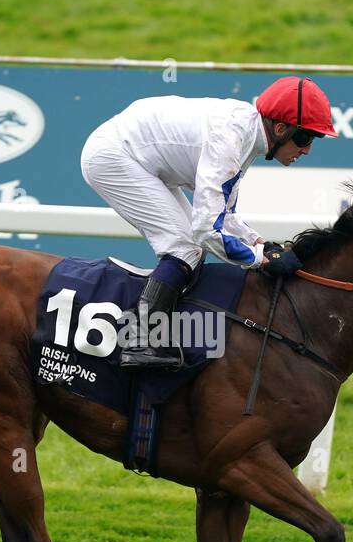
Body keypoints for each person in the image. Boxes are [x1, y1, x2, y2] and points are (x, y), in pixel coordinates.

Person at [80, 75, 338, 369]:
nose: (306, 150)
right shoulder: (229, 141)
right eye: (304, 138)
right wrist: (259, 260)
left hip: (137, 154)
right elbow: (206, 229)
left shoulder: (247, 135)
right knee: (185, 246)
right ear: (280, 128)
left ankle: (159, 333)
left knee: (189, 246)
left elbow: (224, 215)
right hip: (114, 155)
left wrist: (260, 243)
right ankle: (141, 341)